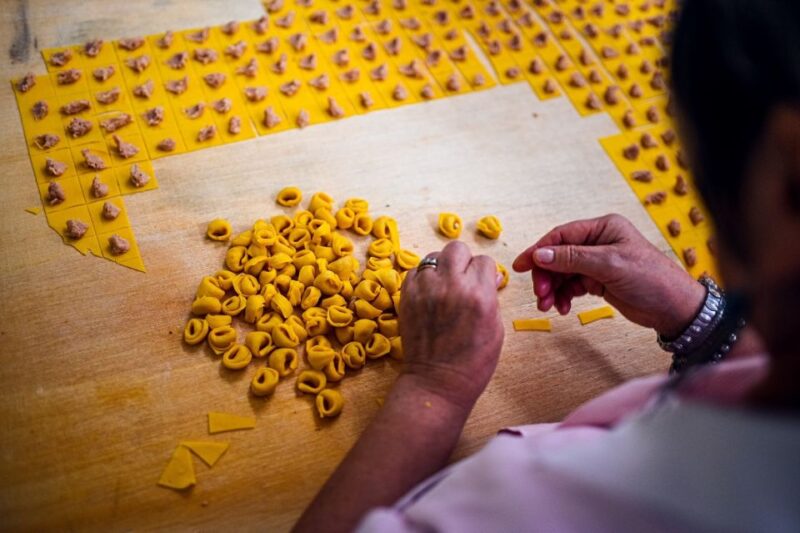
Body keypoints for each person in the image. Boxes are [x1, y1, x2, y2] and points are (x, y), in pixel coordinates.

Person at [294, 1, 800, 531]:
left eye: (702, 176)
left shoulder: (546, 504)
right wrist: (706, 325)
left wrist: (433, 389)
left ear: (788, 181)